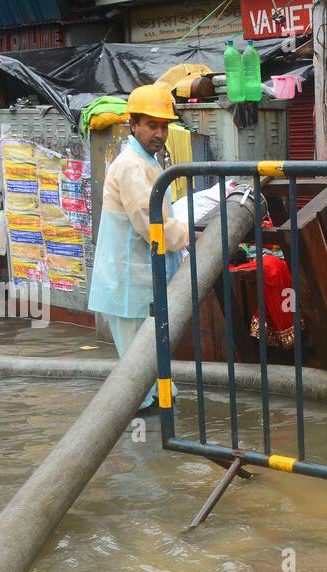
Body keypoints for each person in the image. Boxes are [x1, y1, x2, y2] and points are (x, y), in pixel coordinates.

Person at [88, 84, 190, 410]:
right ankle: (145, 448)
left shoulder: (145, 160)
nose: (160, 133)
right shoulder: (133, 164)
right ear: (133, 124)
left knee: (152, 371)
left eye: (164, 126)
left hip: (139, 283)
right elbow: (151, 224)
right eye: (152, 125)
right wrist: (191, 234)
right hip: (130, 284)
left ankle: (158, 442)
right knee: (140, 378)